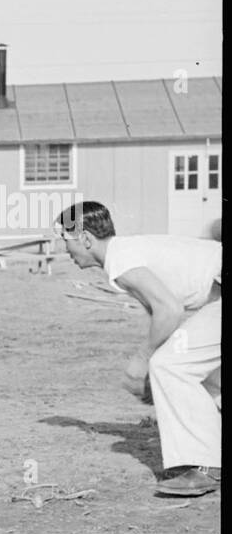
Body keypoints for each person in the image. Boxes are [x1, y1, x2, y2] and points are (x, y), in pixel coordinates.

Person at [56, 201, 221, 497]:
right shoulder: (124, 254)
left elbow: (169, 310)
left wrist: (143, 360)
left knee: (170, 366)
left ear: (85, 239)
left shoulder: (122, 260)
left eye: (66, 241)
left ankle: (205, 465)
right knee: (200, 373)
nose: (66, 251)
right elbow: (163, 311)